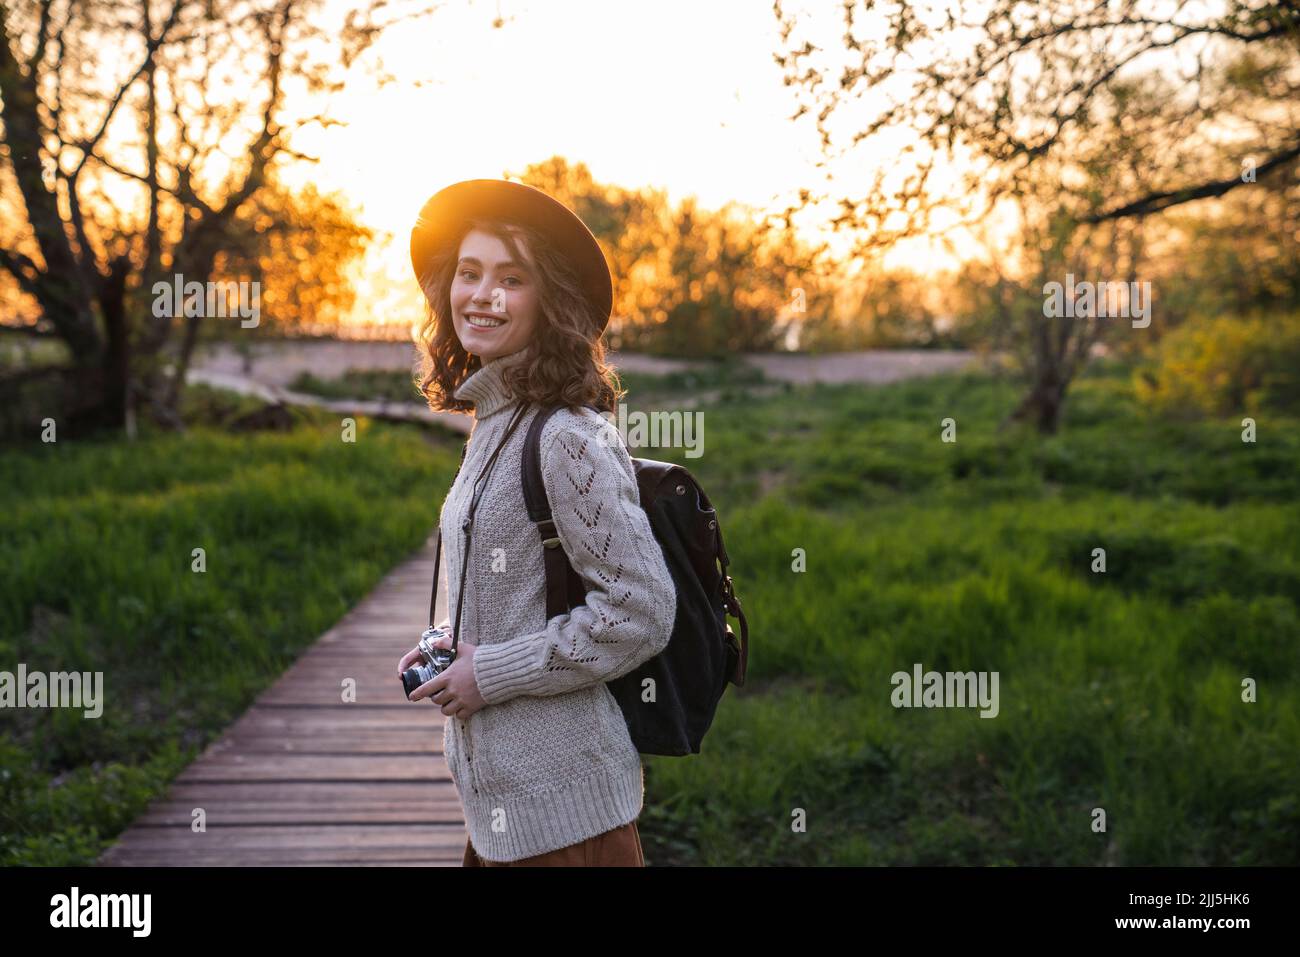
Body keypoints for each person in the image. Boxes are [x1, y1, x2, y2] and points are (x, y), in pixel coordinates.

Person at [398, 179, 677, 866]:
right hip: (502, 809)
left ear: (547, 300)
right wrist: (448, 644)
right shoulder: (497, 416)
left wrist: (486, 671)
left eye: (511, 278)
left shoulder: (565, 436)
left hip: (566, 817)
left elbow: (640, 610)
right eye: (469, 273)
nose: (483, 294)